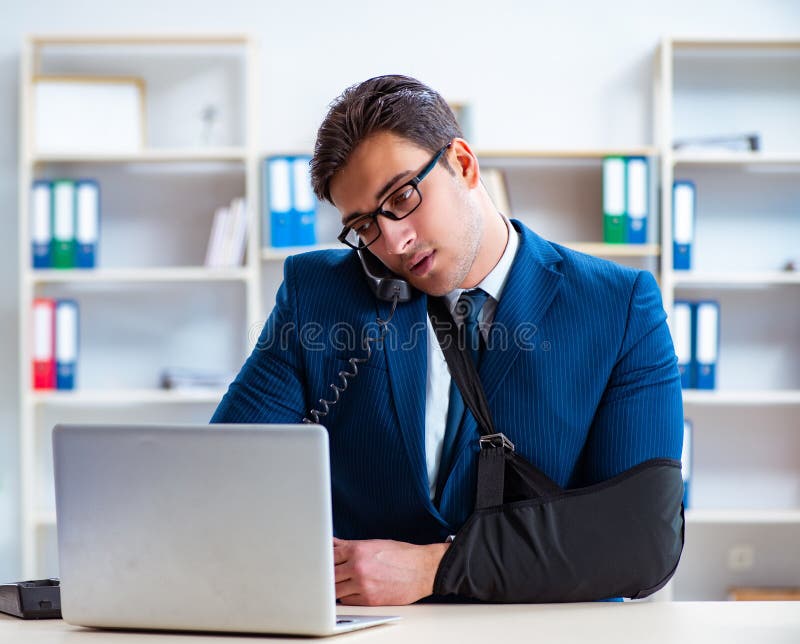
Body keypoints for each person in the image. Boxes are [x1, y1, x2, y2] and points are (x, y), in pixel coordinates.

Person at [211, 75, 684, 606]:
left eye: (402, 197)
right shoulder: (318, 295)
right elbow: (223, 475)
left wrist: (438, 567)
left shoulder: (619, 305)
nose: (393, 240)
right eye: (364, 226)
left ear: (463, 163)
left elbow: (643, 538)